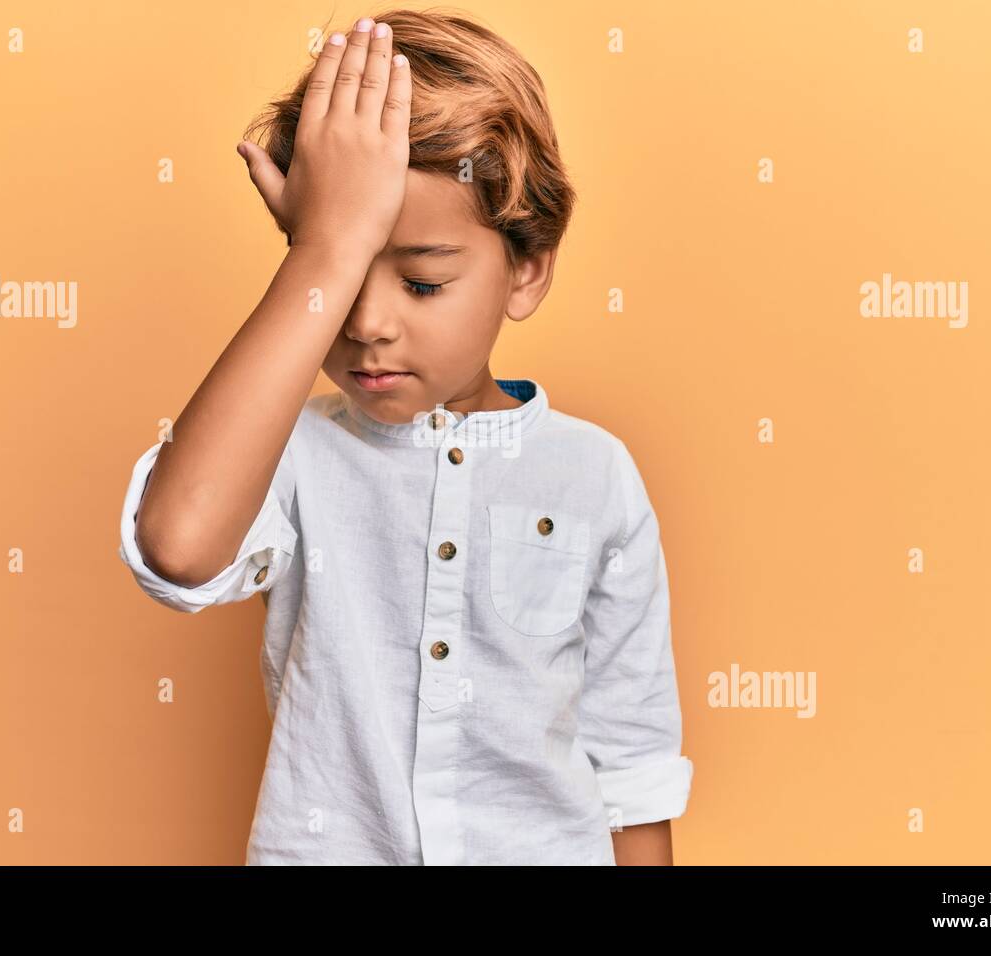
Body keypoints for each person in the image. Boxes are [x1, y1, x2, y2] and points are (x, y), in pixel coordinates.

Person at [117, 9, 693, 865]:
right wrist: (323, 246)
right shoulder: (292, 454)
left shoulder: (595, 474)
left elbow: (631, 759)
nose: (367, 324)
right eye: (344, 277)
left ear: (526, 268)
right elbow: (179, 547)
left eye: (421, 284)